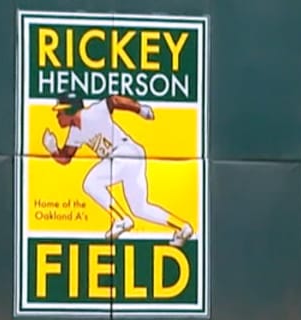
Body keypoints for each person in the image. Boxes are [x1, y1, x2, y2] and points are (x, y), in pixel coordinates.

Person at [41, 92, 195, 247]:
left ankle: (121, 219)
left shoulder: (93, 112)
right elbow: (66, 158)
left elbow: (114, 100)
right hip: (131, 155)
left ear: (70, 109)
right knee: (139, 208)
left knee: (91, 182)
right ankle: (182, 227)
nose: (57, 115)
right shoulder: (75, 132)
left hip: (124, 151)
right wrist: (53, 149)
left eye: (60, 111)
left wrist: (139, 109)